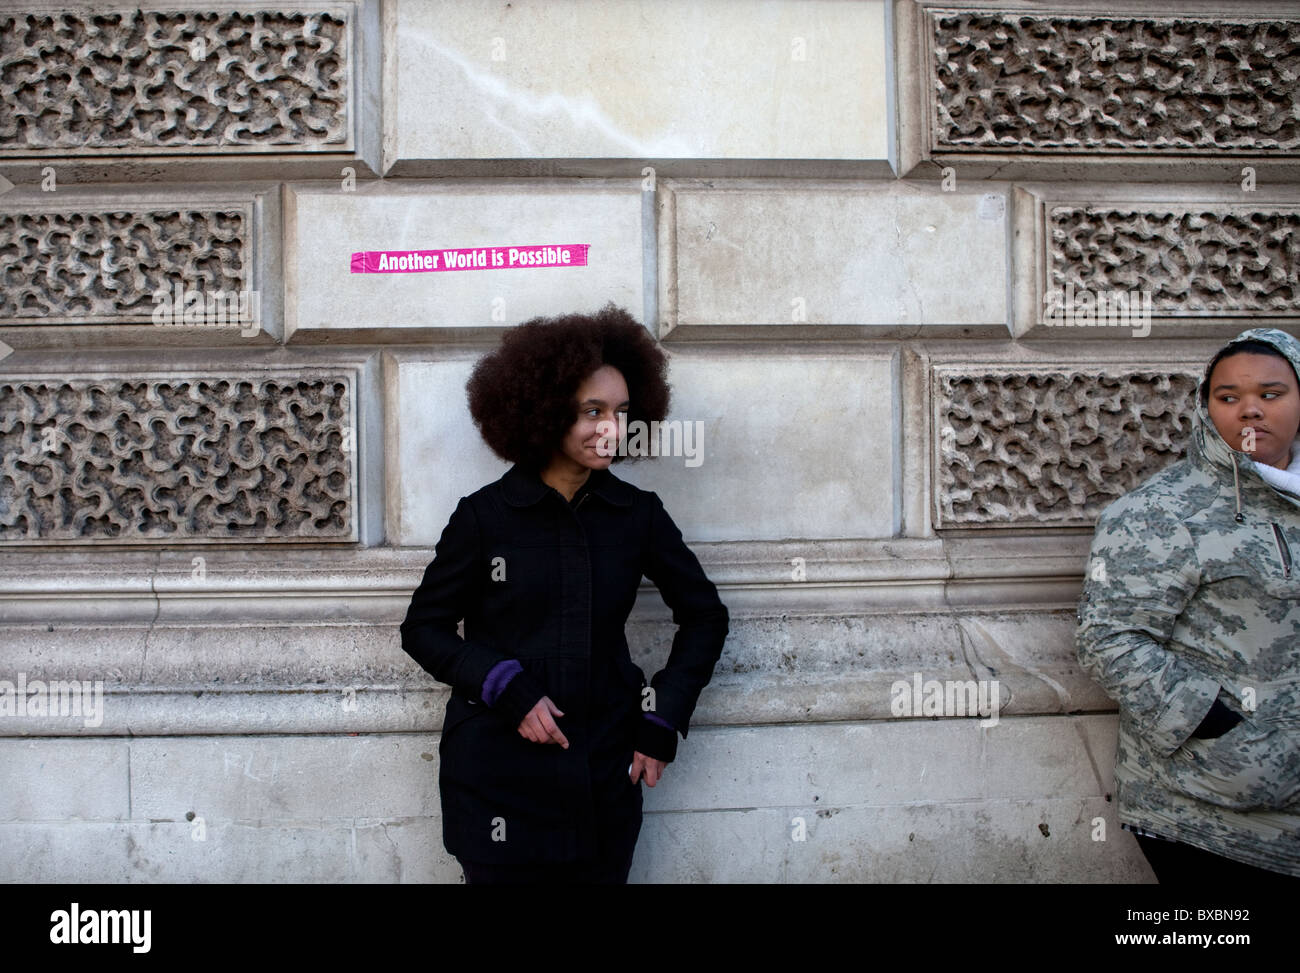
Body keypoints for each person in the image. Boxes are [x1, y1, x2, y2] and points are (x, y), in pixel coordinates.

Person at [400, 304, 729, 884]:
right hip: (498, 773)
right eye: (592, 411)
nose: (612, 429)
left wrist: (663, 715)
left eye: (622, 412)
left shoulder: (638, 516)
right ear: (545, 410)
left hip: (603, 770)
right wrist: (501, 683)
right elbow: (422, 629)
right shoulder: (484, 518)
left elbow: (705, 617)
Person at [1077, 327, 1300, 883]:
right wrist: (1217, 724)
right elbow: (1108, 639)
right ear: (1206, 408)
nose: (1250, 410)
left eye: (1271, 394)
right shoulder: (1162, 511)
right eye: (1228, 398)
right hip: (1210, 810)